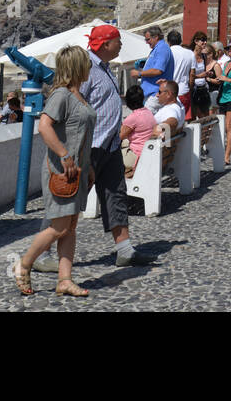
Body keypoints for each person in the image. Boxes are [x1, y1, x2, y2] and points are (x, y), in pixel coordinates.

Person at [35, 23, 151, 274]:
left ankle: (124, 250)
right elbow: (71, 103)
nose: (121, 44)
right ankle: (41, 255)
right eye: (117, 40)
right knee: (66, 200)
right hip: (90, 147)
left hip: (109, 146)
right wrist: (67, 151)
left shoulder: (105, 69)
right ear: (105, 44)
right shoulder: (85, 69)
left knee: (116, 194)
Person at [13, 45, 96, 297]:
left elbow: (81, 135)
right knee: (59, 227)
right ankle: (24, 263)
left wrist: (88, 165)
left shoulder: (79, 96)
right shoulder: (61, 95)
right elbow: (45, 127)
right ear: (77, 67)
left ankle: (64, 280)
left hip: (77, 171)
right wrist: (64, 154)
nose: (90, 68)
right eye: (86, 63)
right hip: (62, 170)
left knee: (70, 227)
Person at [131, 26, 174, 108]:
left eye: (148, 39)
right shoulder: (158, 49)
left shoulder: (162, 48)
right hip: (152, 94)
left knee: (148, 120)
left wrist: (139, 73)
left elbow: (158, 70)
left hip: (155, 94)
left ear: (156, 37)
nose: (146, 42)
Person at [119, 85, 156, 177]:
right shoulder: (148, 112)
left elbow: (119, 137)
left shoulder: (132, 118)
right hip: (147, 151)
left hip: (137, 155)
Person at [168, 30, 197, 121]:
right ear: (180, 41)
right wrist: (190, 87)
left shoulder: (167, 53)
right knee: (185, 119)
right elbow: (192, 74)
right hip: (183, 90)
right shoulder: (190, 53)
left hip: (168, 91)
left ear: (168, 42)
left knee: (170, 119)